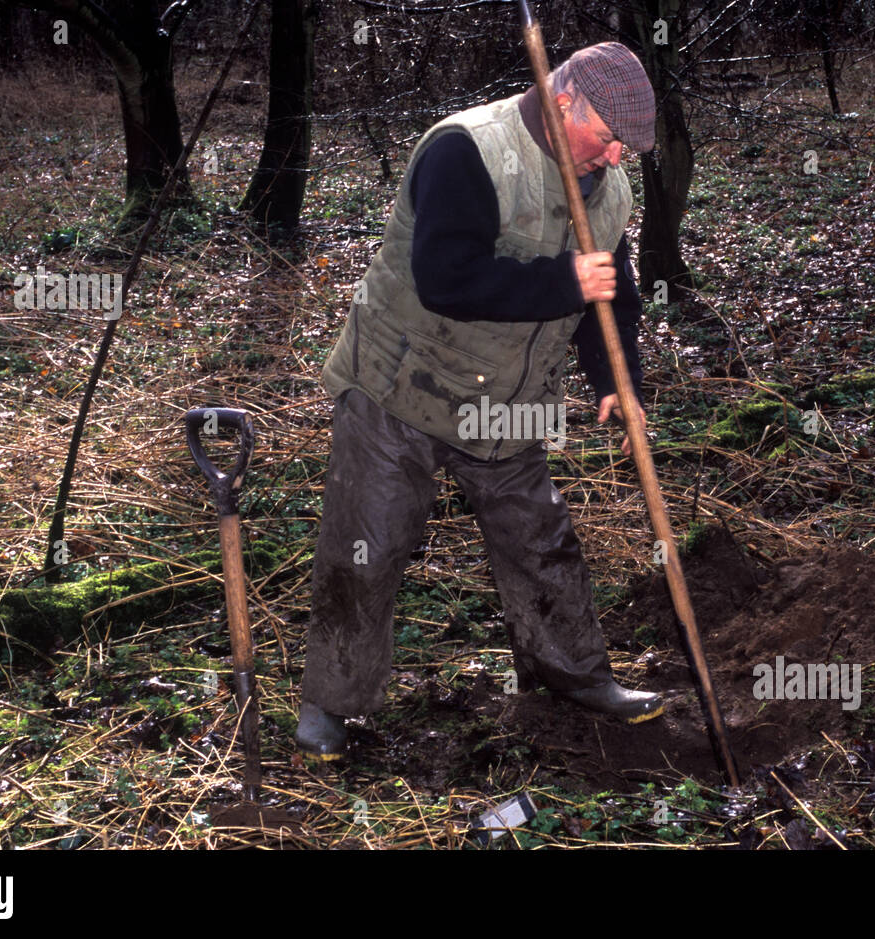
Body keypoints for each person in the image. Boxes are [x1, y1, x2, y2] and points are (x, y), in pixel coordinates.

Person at [296, 42, 662, 760]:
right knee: (366, 544)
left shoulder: (611, 189)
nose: (618, 157)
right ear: (564, 105)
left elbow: (612, 299)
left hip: (508, 400)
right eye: (609, 137)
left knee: (540, 540)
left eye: (628, 146)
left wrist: (621, 383)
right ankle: (330, 704)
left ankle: (574, 675)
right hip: (400, 381)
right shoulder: (466, 151)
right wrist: (567, 283)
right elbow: (447, 278)